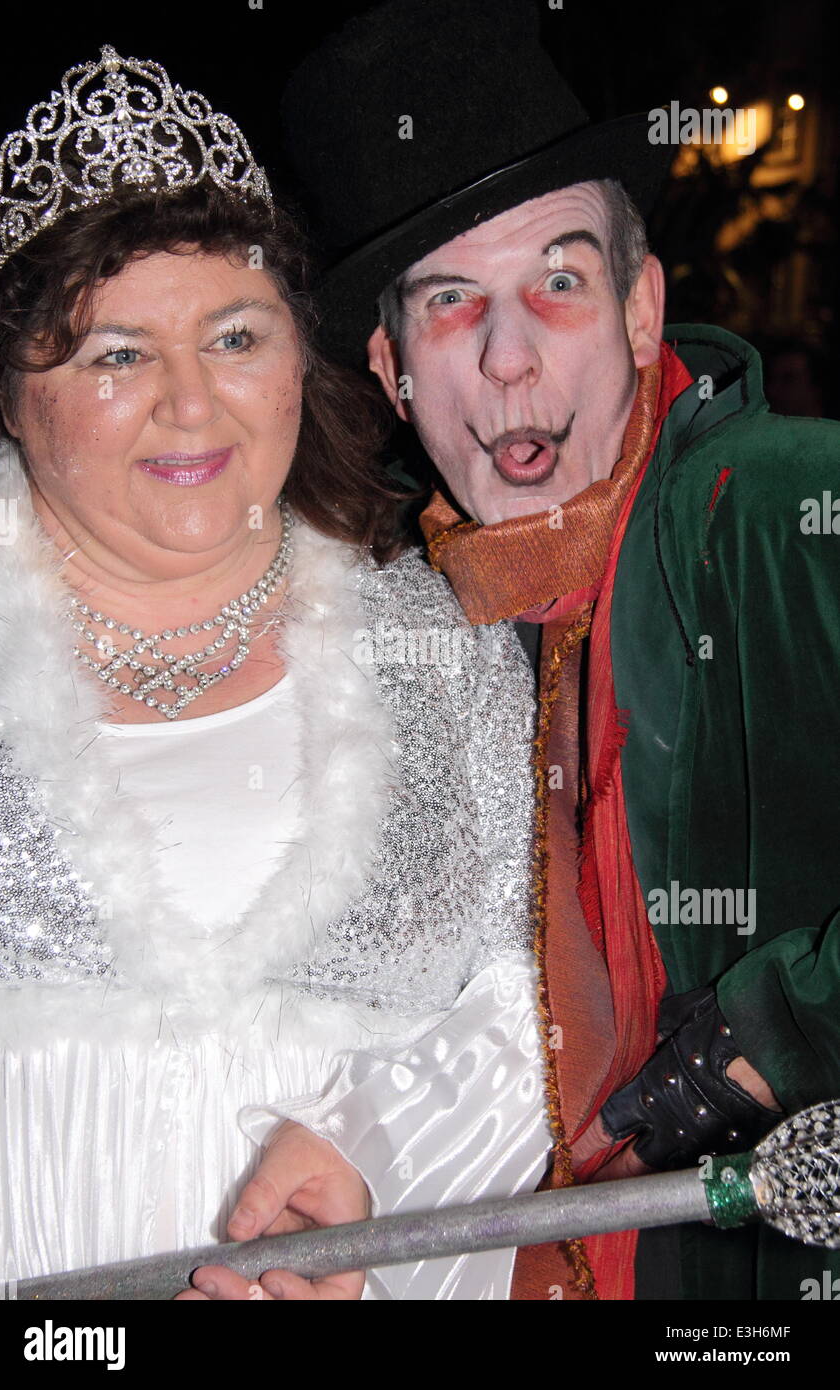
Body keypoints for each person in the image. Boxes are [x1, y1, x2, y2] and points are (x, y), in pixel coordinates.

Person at [274, 0, 840, 1300]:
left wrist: (782, 1029)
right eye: (450, 303)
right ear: (391, 368)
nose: (511, 354)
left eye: (558, 282)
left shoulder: (770, 507)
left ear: (642, 309)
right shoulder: (470, 624)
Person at [0, 43, 553, 1302]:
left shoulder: (443, 642)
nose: (192, 406)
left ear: (305, 356)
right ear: (12, 397)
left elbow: (541, 1003)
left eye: (233, 336)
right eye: (115, 355)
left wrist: (371, 1154)